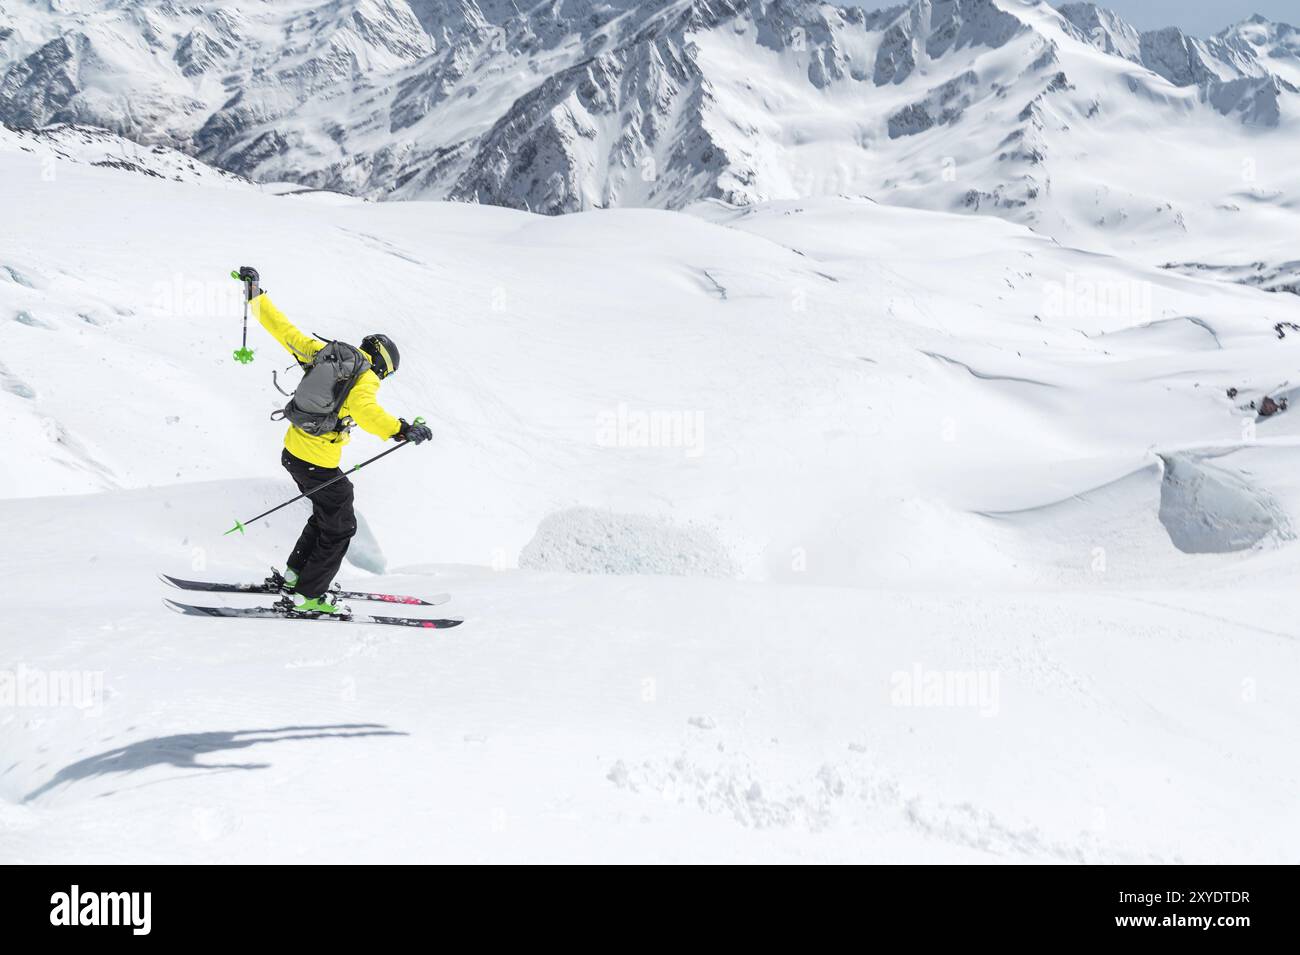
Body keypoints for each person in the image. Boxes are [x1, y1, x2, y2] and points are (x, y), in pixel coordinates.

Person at [236, 266, 432, 615]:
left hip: (293, 452)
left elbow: (286, 332)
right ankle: (309, 594)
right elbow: (368, 412)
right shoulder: (365, 378)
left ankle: (296, 575)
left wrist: (256, 294)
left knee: (330, 511)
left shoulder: (328, 354)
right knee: (342, 526)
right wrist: (401, 429)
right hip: (316, 460)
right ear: (385, 366)